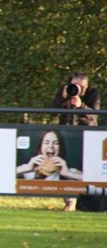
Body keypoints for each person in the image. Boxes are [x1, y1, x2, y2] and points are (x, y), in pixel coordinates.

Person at [51, 73, 99, 211]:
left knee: (84, 168)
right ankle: (69, 201)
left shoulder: (93, 93)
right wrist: (62, 98)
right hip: (65, 133)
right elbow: (52, 112)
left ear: (87, 86)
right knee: (64, 166)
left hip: (87, 135)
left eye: (81, 87)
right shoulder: (64, 91)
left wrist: (81, 105)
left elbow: (95, 116)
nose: (77, 89)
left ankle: (86, 201)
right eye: (75, 85)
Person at [15, 129, 83, 181]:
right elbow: (5, 176)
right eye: (46, 142)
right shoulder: (29, 171)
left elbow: (92, 181)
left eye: (55, 143)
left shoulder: (71, 172)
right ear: (40, 147)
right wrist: (26, 168)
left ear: (60, 148)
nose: (51, 146)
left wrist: (67, 173)